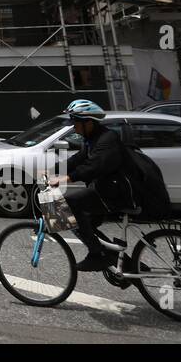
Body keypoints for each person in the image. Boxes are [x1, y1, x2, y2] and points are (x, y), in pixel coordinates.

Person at [47, 100, 139, 272]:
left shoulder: (107, 139)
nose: (74, 127)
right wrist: (51, 171)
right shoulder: (92, 140)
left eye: (76, 123)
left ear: (88, 122)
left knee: (68, 205)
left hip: (117, 193)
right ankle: (126, 266)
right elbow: (77, 160)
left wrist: (65, 179)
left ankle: (97, 255)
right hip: (106, 190)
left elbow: (94, 166)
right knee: (85, 225)